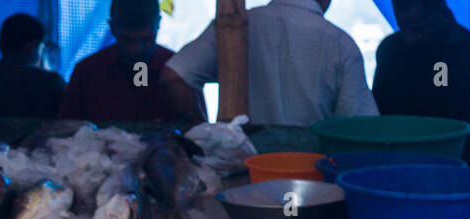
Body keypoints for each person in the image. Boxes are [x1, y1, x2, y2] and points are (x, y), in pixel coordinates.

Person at [162, 0, 378, 125]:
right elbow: (362, 128)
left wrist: (205, 135)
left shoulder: (236, 24)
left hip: (240, 174)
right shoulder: (340, 44)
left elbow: (174, 77)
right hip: (311, 176)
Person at [373, 0, 470, 169]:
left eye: (418, 30)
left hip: (462, 175)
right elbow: (380, 118)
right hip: (398, 169)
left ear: (441, 16)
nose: (410, 39)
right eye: (403, 28)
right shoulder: (391, 49)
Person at [58, 0, 177, 124]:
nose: (137, 49)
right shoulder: (87, 72)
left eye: (147, 39)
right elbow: (66, 129)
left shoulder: (179, 70)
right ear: (112, 28)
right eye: (128, 40)